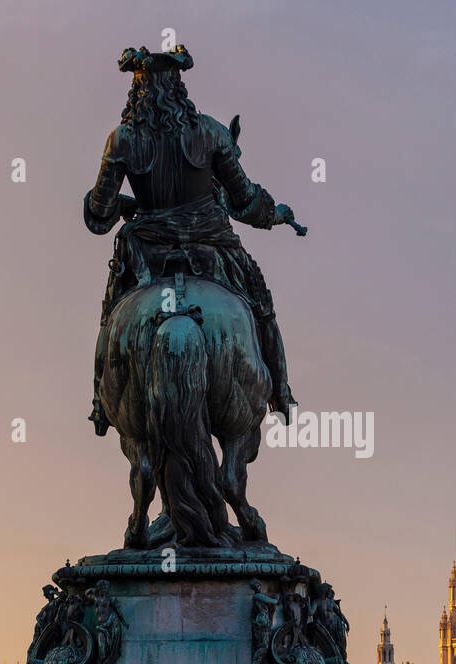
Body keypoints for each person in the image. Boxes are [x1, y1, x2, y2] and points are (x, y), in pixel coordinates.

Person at [84, 44, 298, 436]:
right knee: (261, 305)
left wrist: (119, 205)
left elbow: (98, 218)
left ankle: (100, 400)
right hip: (212, 249)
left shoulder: (121, 141)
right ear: (178, 85)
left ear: (137, 91)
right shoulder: (211, 132)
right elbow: (246, 201)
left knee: (111, 309)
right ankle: (281, 390)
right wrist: (276, 214)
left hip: (149, 255)